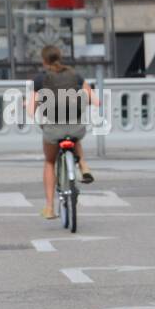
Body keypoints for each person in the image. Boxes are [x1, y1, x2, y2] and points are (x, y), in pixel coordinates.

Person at [27, 46, 96, 220]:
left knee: (50, 162)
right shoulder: (75, 75)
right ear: (60, 57)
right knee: (73, 134)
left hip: (53, 129)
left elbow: (30, 109)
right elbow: (95, 100)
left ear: (44, 61)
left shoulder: (41, 79)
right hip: (76, 127)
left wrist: (30, 109)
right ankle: (84, 166)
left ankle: (50, 208)